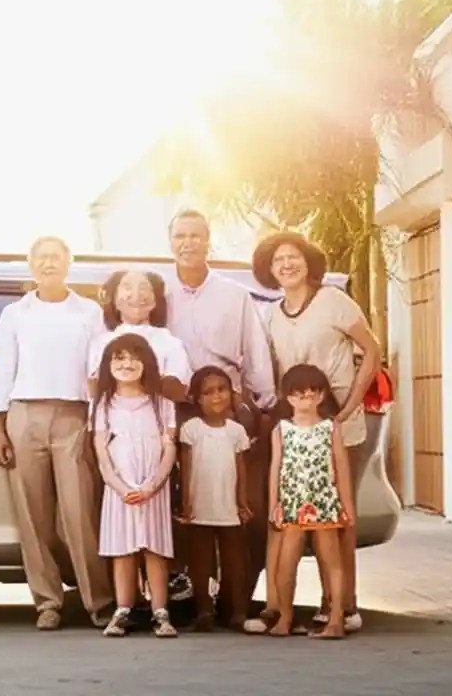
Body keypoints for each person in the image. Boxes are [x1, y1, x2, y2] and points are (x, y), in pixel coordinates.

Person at [251, 231, 380, 634]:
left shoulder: (333, 301)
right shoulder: (272, 314)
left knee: (339, 517)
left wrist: (351, 404)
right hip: (297, 428)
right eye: (278, 261)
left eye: (293, 257)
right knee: (285, 519)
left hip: (339, 425)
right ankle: (278, 608)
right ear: (269, 270)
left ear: (307, 261)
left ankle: (341, 606)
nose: (287, 265)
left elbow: (373, 350)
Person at [0, 235, 114, 630]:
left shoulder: (89, 312)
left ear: (67, 263)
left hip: (74, 415)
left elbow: (98, 370)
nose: (48, 264)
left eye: (55, 257)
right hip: (24, 414)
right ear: (31, 265)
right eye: (41, 258)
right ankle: (47, 601)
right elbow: (3, 370)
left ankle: (100, 601)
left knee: (80, 514)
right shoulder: (15, 313)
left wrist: (98, 426)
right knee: (34, 515)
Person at [164, 209, 277, 615]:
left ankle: (236, 597)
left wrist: (263, 407)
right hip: (176, 408)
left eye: (196, 235)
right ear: (170, 240)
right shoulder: (160, 295)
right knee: (183, 501)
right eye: (180, 235)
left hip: (228, 405)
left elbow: (256, 352)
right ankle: (187, 595)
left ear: (208, 240)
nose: (188, 242)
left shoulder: (234, 294)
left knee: (238, 500)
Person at [91, 333, 179, 638]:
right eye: (119, 357)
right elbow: (101, 451)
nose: (127, 364)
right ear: (108, 364)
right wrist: (118, 486)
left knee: (154, 548)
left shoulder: (162, 405)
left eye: (134, 357)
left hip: (152, 487)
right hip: (121, 489)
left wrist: (152, 484)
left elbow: (170, 448)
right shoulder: (103, 405)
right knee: (123, 549)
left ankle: (160, 611)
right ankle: (123, 609)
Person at [262, 364, 355, 639]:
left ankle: (336, 618)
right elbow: (275, 468)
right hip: (292, 503)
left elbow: (341, 467)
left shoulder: (330, 428)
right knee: (285, 562)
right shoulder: (281, 430)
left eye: (312, 393)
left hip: (324, 501)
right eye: (299, 394)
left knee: (331, 561)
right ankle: (285, 617)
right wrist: (273, 505)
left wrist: (347, 505)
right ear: (288, 398)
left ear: (322, 395)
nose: (306, 399)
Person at [178, 366, 254, 632]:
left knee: (234, 561)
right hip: (200, 505)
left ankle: (236, 611)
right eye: (208, 392)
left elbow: (241, 470)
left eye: (222, 390)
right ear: (197, 399)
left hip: (228, 506)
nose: (217, 397)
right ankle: (203, 611)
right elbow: (185, 467)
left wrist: (242, 503)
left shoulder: (236, 431)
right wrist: (186, 503)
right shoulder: (191, 429)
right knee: (201, 560)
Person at [88, 269, 192, 403]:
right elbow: (95, 388)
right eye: (127, 287)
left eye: (144, 288)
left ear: (155, 300)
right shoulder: (100, 343)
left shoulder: (170, 342)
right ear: (114, 298)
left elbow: (177, 389)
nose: (136, 294)